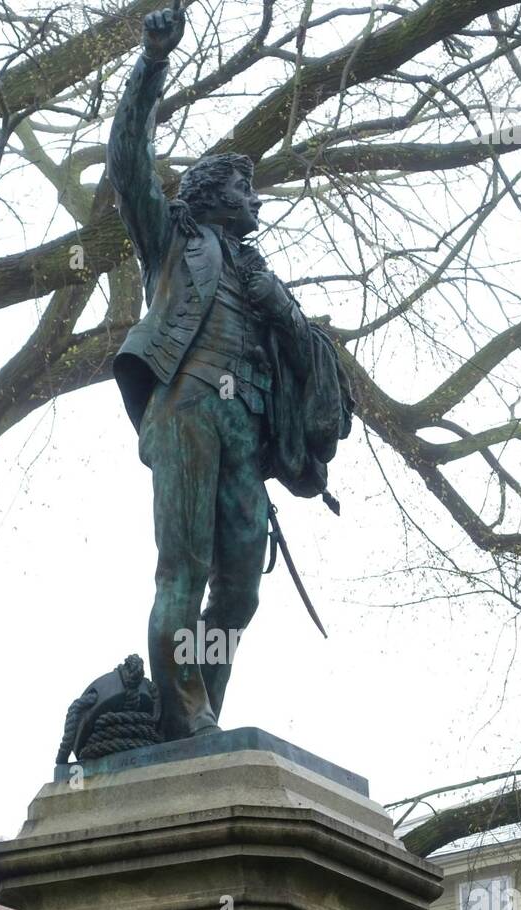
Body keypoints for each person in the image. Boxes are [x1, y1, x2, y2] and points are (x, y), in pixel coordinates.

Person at [107, 3, 326, 740]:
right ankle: (184, 711)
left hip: (247, 428)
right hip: (190, 407)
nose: (255, 197)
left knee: (238, 592)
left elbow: (306, 358)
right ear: (208, 193)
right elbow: (127, 160)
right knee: (186, 570)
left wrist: (282, 310)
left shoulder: (261, 273)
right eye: (243, 186)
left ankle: (199, 716)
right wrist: (153, 63)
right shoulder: (171, 239)